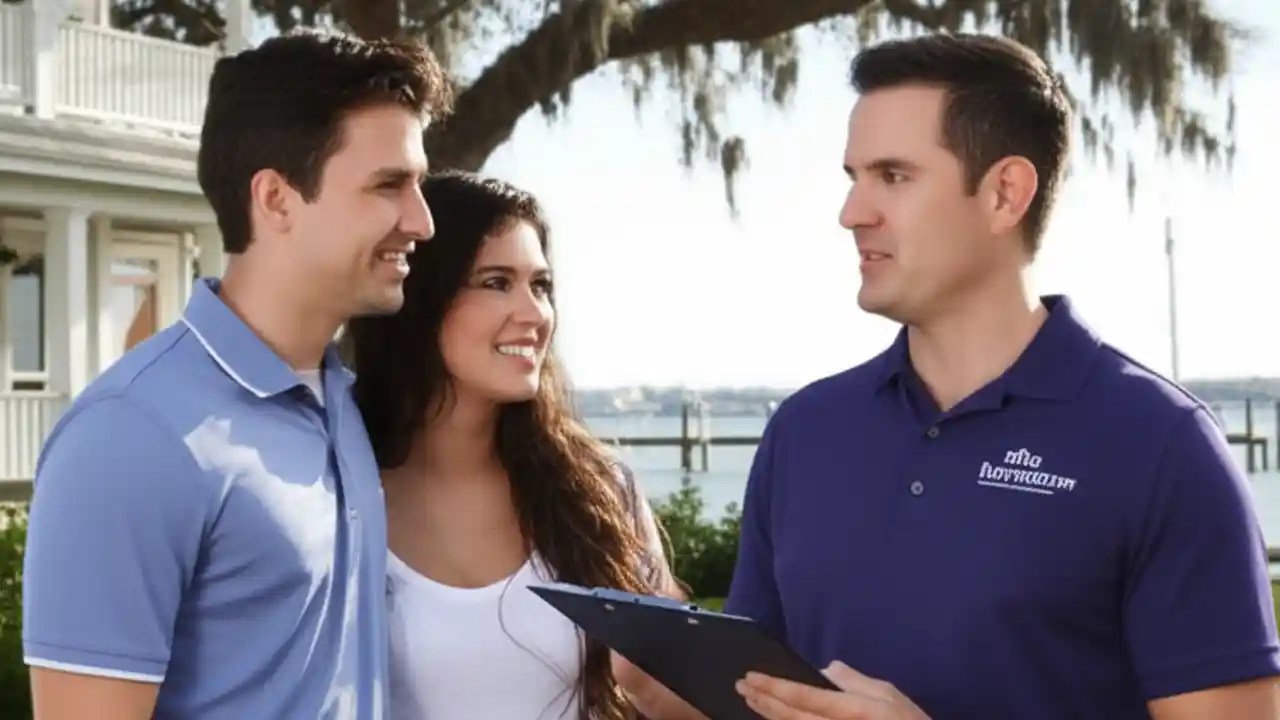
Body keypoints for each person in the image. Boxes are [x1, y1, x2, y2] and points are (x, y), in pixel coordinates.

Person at [718, 32, 1280, 720]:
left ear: (1004, 194)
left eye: (893, 176)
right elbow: (753, 698)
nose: (851, 214)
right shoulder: (804, 432)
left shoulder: (1162, 447)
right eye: (853, 177)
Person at [22, 29, 451, 719]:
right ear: (276, 199)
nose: (422, 221)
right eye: (389, 185)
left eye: (418, 185)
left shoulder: (340, 399)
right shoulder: (129, 437)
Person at [342, 170, 682, 720]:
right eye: (496, 282)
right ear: (423, 297)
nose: (533, 315)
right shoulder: (332, 489)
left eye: (540, 286)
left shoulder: (599, 492)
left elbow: (673, 693)